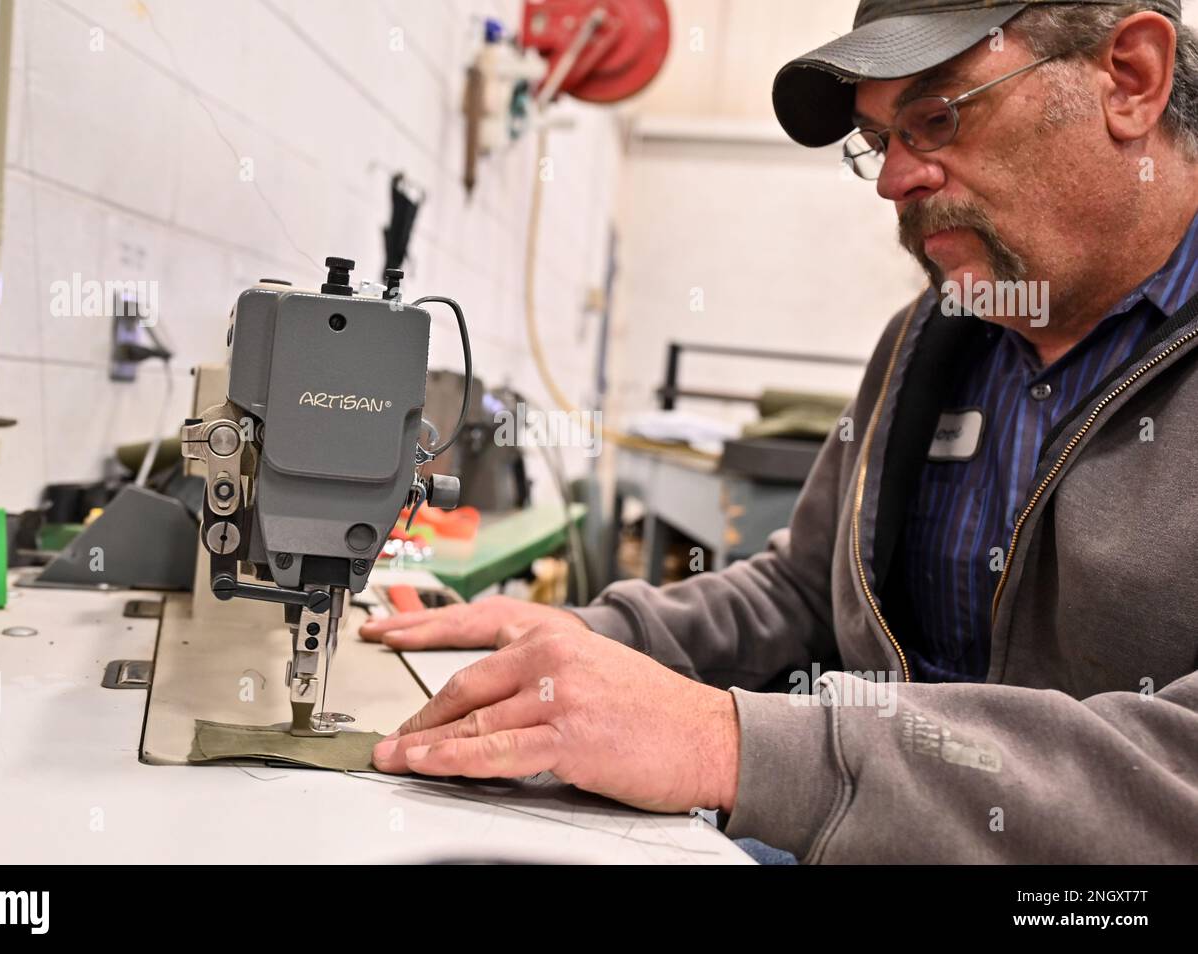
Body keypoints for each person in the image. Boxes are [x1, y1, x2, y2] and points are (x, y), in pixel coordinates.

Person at [360, 0, 1198, 863]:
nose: (893, 180)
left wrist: (734, 744)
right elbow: (803, 596)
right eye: (880, 140)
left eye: (938, 117)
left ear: (1129, 78)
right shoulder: (932, 338)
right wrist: (591, 638)